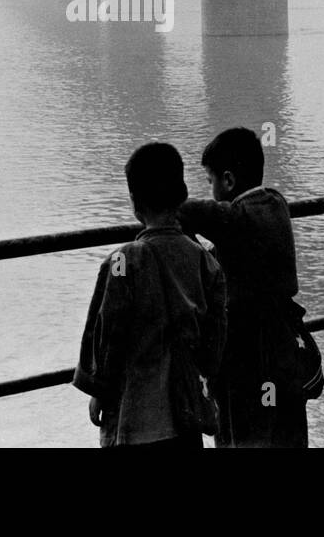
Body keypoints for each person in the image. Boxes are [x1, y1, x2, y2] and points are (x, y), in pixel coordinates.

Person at [73, 142, 228, 448]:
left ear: (134, 202)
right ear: (181, 195)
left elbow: (106, 334)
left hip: (135, 420)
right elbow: (215, 339)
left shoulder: (122, 262)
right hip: (185, 415)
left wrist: (98, 392)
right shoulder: (204, 260)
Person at [179, 127, 309, 447]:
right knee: (286, 431)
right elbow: (242, 255)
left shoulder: (235, 217)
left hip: (247, 354)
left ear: (228, 181)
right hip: (284, 347)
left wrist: (193, 250)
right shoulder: (276, 204)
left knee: (244, 433)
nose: (209, 189)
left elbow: (180, 211)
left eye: (210, 181)